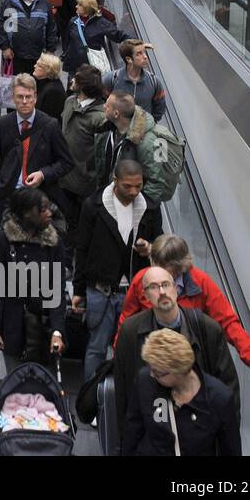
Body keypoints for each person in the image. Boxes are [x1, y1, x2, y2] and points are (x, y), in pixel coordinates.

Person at [113, 266, 239, 447]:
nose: (162, 292)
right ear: (145, 295)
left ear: (176, 288)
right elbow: (123, 390)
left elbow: (228, 386)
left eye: (166, 284)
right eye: (154, 287)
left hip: (199, 433)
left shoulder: (206, 328)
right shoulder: (131, 331)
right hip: (153, 434)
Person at [117, 235, 250, 378]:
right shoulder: (143, 280)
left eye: (165, 266)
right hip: (152, 360)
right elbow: (126, 321)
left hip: (189, 364)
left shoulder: (201, 283)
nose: (158, 270)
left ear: (179, 266)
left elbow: (228, 323)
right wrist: (119, 357)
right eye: (156, 264)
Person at [71, 159, 162, 374]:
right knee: (96, 347)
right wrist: (78, 289)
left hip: (135, 291)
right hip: (100, 289)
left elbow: (160, 244)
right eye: (127, 186)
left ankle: (123, 400)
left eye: (138, 186)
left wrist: (150, 249)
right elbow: (82, 248)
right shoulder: (94, 206)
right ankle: (91, 400)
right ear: (115, 181)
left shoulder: (150, 208)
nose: (133, 192)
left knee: (133, 349)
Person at [122, 328, 241, 456]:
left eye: (158, 373)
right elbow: (132, 430)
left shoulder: (219, 399)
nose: (152, 374)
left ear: (179, 371)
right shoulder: (145, 380)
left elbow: (231, 450)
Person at [0, 187, 68, 364]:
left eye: (48, 208)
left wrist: (57, 332)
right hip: (14, 329)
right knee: (16, 384)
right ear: (27, 214)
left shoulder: (53, 243)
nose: (49, 214)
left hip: (45, 331)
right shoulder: (3, 241)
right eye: (42, 209)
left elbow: (58, 290)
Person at [0, 72, 73, 213]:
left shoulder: (50, 125)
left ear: (35, 98)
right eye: (20, 97)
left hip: (40, 200)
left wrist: (43, 174)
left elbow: (66, 162)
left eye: (28, 97)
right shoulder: (2, 125)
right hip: (8, 200)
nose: (24, 101)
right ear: (13, 98)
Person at [60, 64, 106, 216]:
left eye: (77, 78)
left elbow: (103, 154)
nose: (72, 79)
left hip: (83, 183)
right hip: (62, 175)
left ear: (84, 86)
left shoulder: (100, 118)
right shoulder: (70, 101)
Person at [0, 0, 58, 77]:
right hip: (16, 56)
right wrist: (5, 47)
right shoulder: (9, 2)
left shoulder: (44, 2)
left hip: (39, 57)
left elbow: (51, 27)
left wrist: (51, 50)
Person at [103, 39, 168, 122]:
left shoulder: (154, 82)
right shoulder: (111, 79)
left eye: (144, 52)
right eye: (139, 54)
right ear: (128, 59)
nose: (145, 57)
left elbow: (160, 108)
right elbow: (100, 101)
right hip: (119, 131)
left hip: (144, 131)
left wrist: (149, 124)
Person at [64, 0, 127, 75]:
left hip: (91, 68)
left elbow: (118, 36)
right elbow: (67, 41)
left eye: (80, 5)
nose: (76, 6)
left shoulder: (101, 23)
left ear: (87, 8)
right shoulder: (74, 21)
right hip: (75, 67)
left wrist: (138, 43)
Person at [33, 52, 66, 119]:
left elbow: (47, 118)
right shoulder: (42, 82)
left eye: (39, 65)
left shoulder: (52, 91)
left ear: (48, 70)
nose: (34, 66)